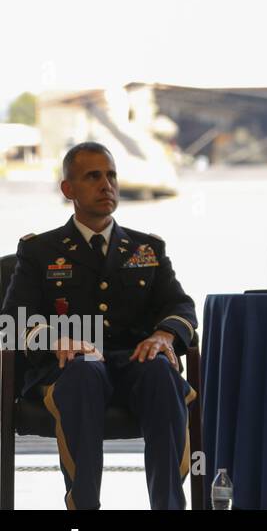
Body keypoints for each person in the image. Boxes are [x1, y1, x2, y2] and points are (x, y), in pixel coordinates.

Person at [1, 142, 197, 510]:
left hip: (133, 363)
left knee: (161, 370)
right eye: (93, 177)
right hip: (71, 368)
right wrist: (56, 339)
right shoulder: (40, 251)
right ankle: (84, 508)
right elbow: (13, 320)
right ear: (68, 189)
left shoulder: (146, 249)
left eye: (111, 176)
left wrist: (165, 334)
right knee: (84, 371)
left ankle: (169, 506)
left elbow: (180, 305)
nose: (106, 185)